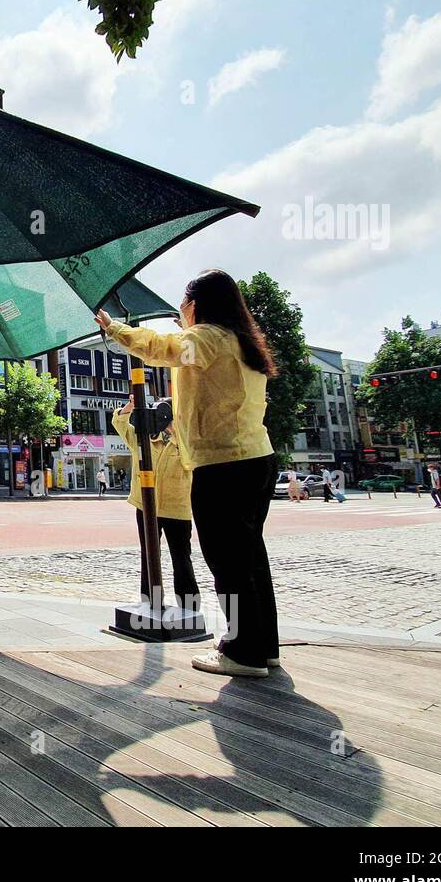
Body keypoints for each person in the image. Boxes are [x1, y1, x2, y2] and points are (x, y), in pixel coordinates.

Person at [97, 268, 280, 678]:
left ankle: (241, 651)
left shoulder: (207, 338)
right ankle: (262, 645)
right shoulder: (241, 341)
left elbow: (162, 346)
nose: (180, 311)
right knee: (250, 558)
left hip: (224, 463)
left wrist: (115, 329)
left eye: (183, 303)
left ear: (195, 305)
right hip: (257, 459)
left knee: (228, 561)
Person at [112, 398, 199, 613]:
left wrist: (176, 431)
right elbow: (120, 424)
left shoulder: (185, 442)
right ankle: (149, 600)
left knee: (181, 556)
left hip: (177, 509)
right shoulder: (143, 439)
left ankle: (190, 604)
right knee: (149, 554)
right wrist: (128, 409)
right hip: (145, 507)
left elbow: (195, 461)